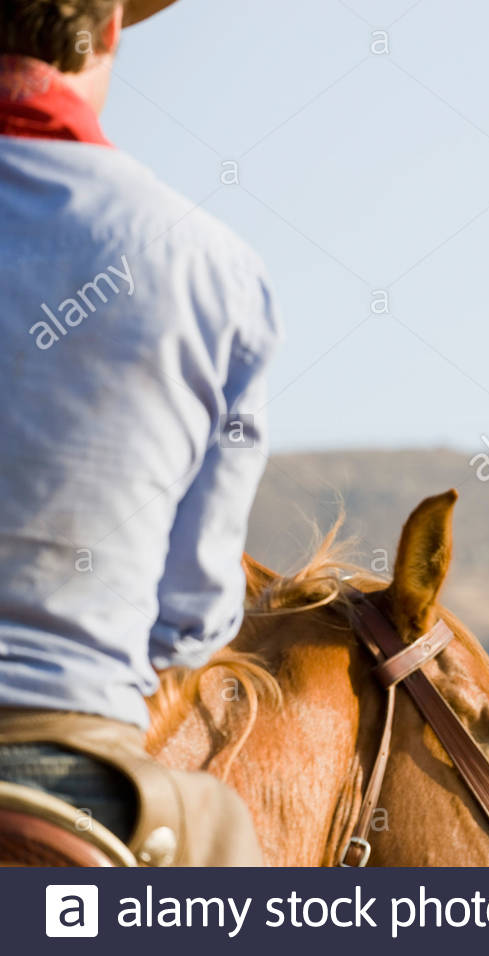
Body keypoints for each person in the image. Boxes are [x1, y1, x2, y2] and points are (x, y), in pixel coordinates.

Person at [0, 0, 279, 865]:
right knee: (229, 838)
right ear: (112, 28)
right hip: (72, 753)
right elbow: (193, 617)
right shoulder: (215, 269)